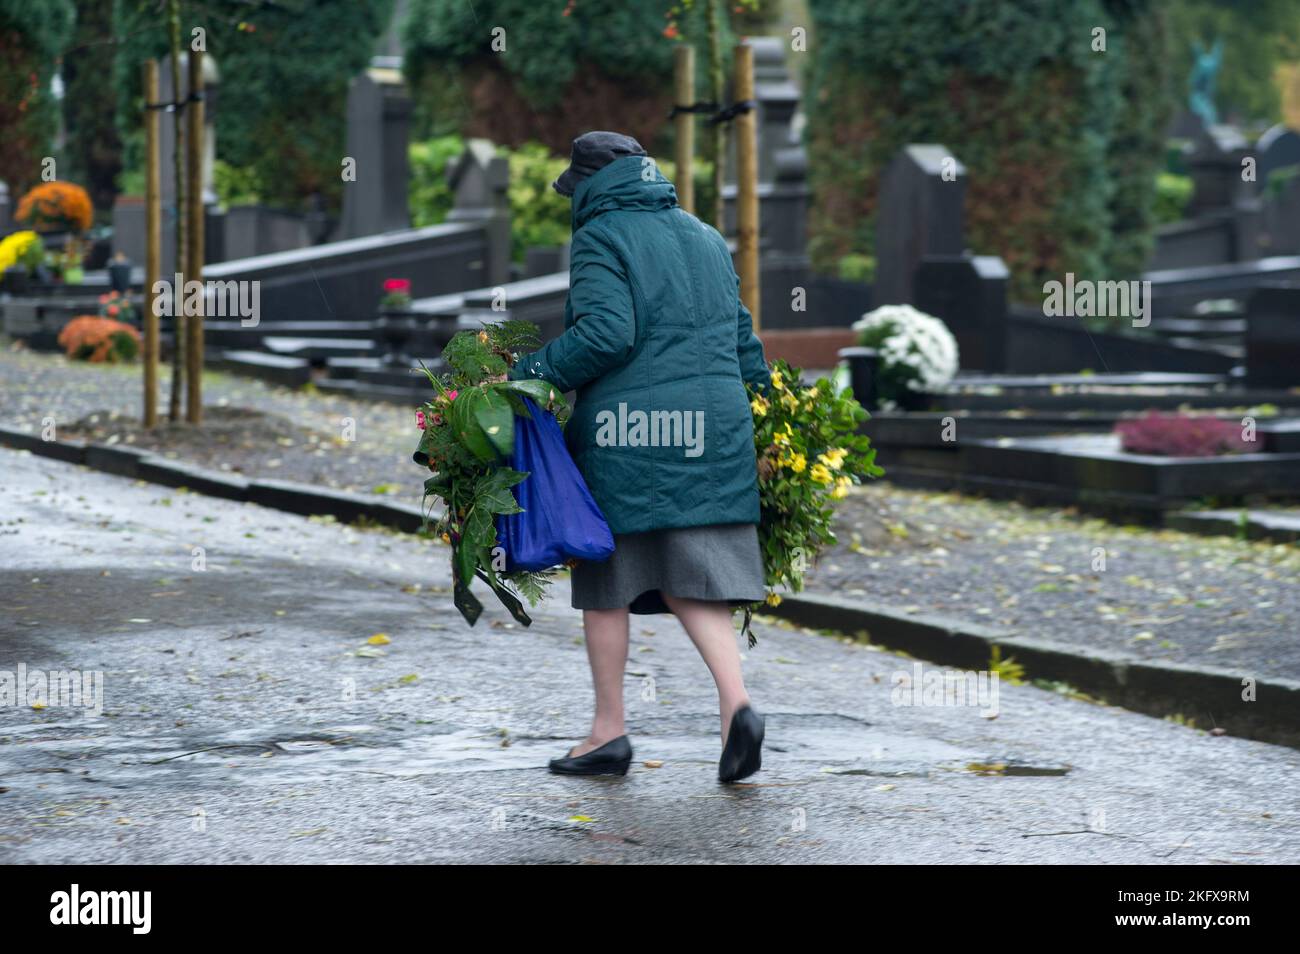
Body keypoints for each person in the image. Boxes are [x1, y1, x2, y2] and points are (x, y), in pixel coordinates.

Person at [509, 131, 770, 784]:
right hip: (714, 427)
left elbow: (607, 333)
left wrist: (530, 373)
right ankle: (736, 705)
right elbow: (742, 338)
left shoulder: (603, 235)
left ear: (593, 184)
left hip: (634, 432)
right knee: (689, 577)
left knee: (609, 581)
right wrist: (768, 412)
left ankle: (608, 732)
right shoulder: (705, 234)